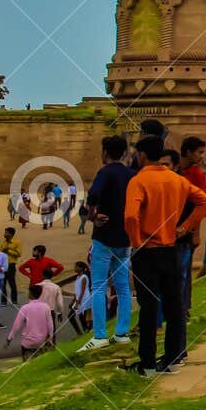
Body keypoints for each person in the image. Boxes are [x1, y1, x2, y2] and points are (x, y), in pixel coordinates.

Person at [123, 134, 206, 375]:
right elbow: (205, 202)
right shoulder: (177, 180)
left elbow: (131, 216)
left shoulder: (138, 181)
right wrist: (186, 227)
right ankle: (173, 360)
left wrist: (136, 241)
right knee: (175, 306)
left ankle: (148, 364)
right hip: (171, 248)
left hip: (147, 251)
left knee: (149, 307)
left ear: (141, 155)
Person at [80, 135, 135, 351]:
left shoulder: (105, 173)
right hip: (125, 237)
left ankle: (100, 334)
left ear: (105, 152)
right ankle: (122, 332)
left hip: (104, 237)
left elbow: (93, 196)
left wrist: (94, 216)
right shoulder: (131, 174)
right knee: (122, 286)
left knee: (99, 285)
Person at [175, 136, 206, 314]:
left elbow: (201, 206)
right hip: (172, 228)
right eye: (199, 152)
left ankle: (184, 307)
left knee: (183, 271)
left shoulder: (197, 174)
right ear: (188, 151)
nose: (201, 156)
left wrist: (196, 232)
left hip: (185, 230)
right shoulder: (176, 170)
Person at [7, 285, 55, 360]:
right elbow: (50, 324)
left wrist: (10, 338)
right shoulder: (46, 307)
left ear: (31, 294)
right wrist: (50, 338)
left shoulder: (25, 308)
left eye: (28, 292)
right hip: (41, 342)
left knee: (26, 362)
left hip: (27, 342)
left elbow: (17, 325)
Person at [68, 261, 91, 335]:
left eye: (76, 266)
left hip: (84, 299)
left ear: (81, 268)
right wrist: (73, 301)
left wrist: (78, 302)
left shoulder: (84, 277)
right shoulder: (78, 277)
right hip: (79, 299)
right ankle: (81, 332)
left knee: (81, 316)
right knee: (77, 316)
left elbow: (83, 291)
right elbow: (77, 291)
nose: (75, 268)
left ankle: (84, 331)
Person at [0, 227, 19, 308]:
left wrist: (9, 250)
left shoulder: (17, 242)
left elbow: (19, 254)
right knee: (3, 284)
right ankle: (3, 301)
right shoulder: (3, 243)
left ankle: (14, 300)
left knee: (12, 283)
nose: (5, 234)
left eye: (6, 232)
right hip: (3, 265)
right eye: (5, 232)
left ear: (11, 234)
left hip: (11, 265)